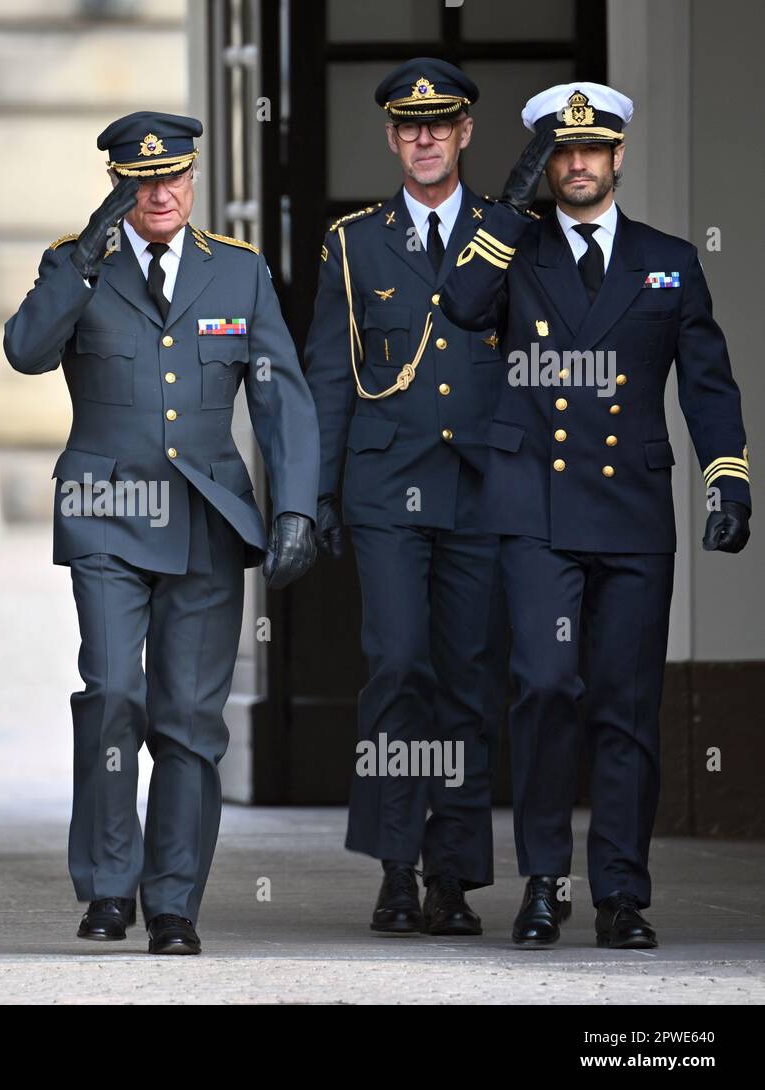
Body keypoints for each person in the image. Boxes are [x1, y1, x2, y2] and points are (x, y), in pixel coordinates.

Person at [441, 82, 751, 948]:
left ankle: (620, 890)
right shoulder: (516, 247)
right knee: (543, 686)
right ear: (549, 163)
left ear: (618, 157)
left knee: (625, 703)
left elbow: (708, 384)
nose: (577, 165)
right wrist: (504, 206)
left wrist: (728, 479)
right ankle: (545, 880)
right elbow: (461, 306)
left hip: (632, 508)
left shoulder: (670, 260)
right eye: (560, 152)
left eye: (592, 150)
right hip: (534, 500)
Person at [4, 111, 319, 955]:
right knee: (112, 693)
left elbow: (281, 395)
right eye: (143, 182)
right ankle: (110, 887)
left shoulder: (239, 274)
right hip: (107, 513)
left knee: (188, 721)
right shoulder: (76, 266)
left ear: (193, 179)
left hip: (208, 519)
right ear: (118, 187)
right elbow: (25, 351)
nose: (162, 193)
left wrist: (295, 507)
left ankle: (173, 899)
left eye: (175, 177)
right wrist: (81, 261)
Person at [304, 59, 502, 936]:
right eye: (408, 126)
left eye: (441, 124)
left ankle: (452, 874)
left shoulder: (511, 234)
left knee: (467, 680)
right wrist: (314, 500)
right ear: (391, 137)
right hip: (385, 485)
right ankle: (394, 863)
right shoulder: (352, 242)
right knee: (397, 668)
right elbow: (327, 377)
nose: (424, 137)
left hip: (483, 488)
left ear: (465, 133)